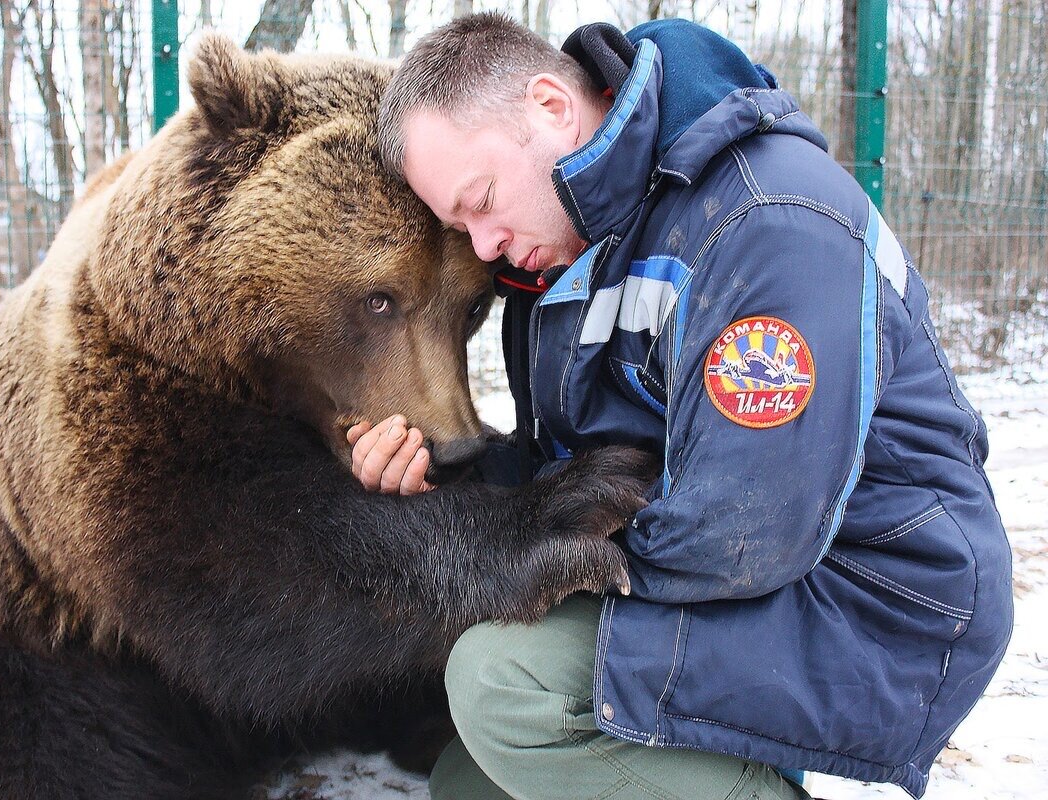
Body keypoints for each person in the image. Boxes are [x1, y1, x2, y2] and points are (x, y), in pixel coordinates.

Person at [347, 13, 1013, 800]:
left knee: (507, 688)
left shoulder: (767, 223)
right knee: (472, 782)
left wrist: (518, 555)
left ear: (552, 106)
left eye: (483, 200)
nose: (485, 246)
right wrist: (448, 488)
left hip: (873, 598)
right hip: (741, 571)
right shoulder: (567, 247)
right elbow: (578, 467)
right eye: (462, 226)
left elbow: (745, 532)